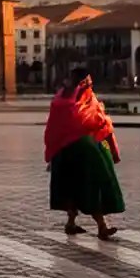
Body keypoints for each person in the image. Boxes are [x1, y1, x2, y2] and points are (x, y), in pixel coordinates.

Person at [44, 67, 125, 239]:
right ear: (83, 80)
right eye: (88, 79)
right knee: (93, 185)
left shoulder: (60, 98)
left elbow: (53, 127)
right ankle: (101, 226)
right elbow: (98, 121)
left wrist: (52, 152)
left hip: (62, 150)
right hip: (86, 148)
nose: (91, 82)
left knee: (70, 186)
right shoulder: (86, 97)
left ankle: (71, 223)